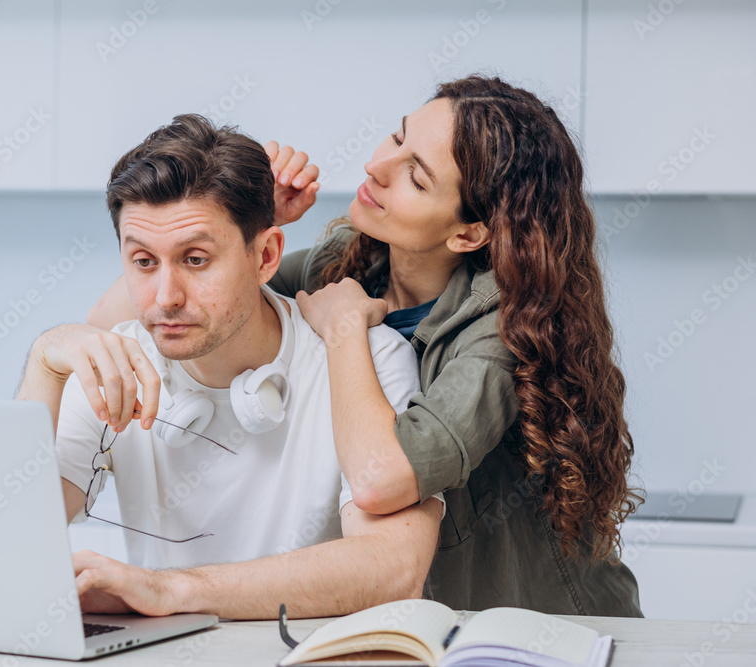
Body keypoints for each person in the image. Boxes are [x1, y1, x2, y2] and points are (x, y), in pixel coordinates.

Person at [88, 76, 644, 617]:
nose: (376, 166)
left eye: (416, 177)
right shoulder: (354, 260)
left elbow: (380, 480)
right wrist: (247, 216)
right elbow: (127, 319)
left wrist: (346, 330)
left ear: (468, 233)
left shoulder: (499, 330)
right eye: (398, 138)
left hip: (554, 622)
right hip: (445, 618)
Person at [15, 113, 444, 620]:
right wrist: (45, 365)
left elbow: (391, 569)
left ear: (266, 256)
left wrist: (170, 592)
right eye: (144, 262)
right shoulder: (118, 364)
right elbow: (10, 542)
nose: (165, 298)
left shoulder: (370, 359)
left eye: (196, 260)